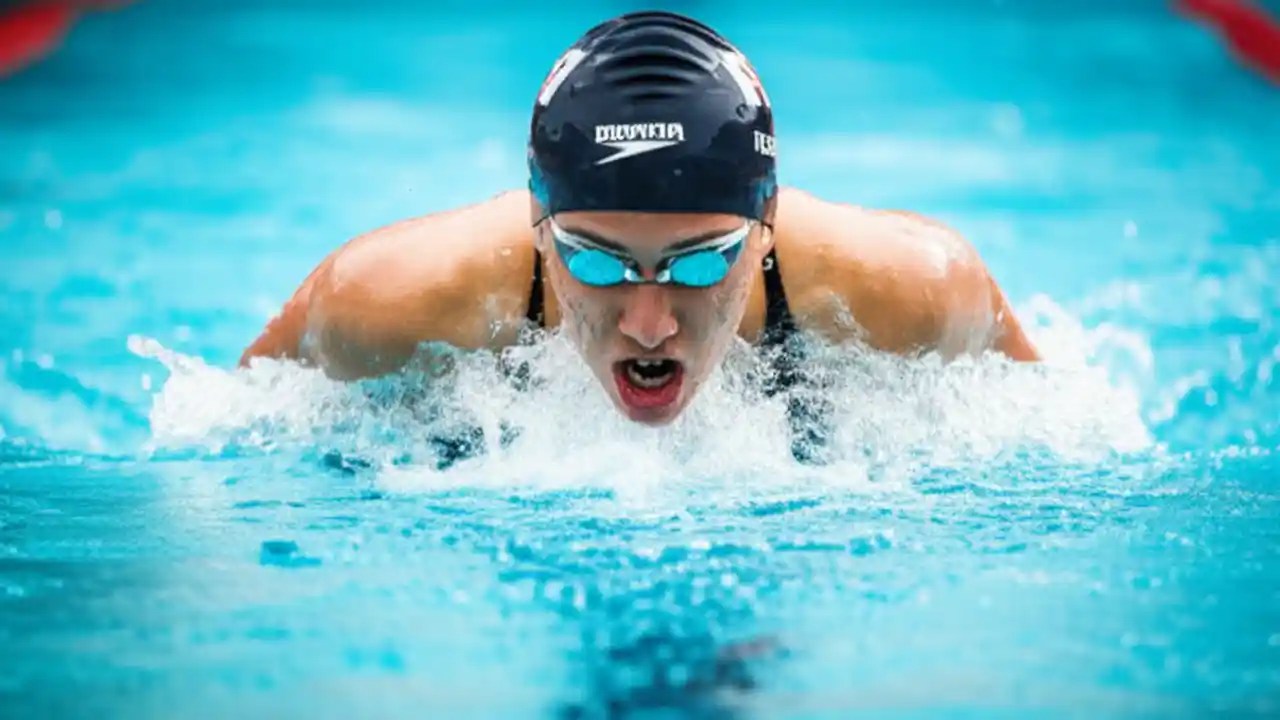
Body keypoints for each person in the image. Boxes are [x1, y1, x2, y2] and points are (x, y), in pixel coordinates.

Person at [241, 10, 1040, 432]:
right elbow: (224, 431)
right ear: (538, 228)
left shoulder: (913, 291)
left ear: (766, 228)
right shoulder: (383, 303)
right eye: (596, 261)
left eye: (698, 263)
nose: (651, 324)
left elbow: (1062, 424)